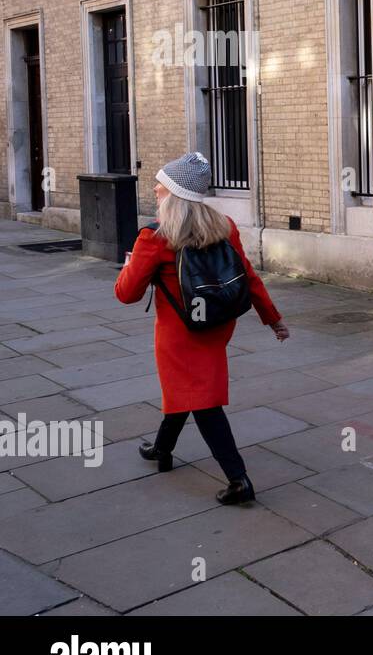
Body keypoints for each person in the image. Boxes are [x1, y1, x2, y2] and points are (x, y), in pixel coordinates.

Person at [114, 152, 289, 504]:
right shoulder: (223, 226)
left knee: (203, 403)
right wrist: (273, 318)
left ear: (174, 194)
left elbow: (126, 294)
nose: (155, 189)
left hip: (179, 334)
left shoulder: (155, 237)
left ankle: (239, 479)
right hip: (216, 325)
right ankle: (162, 449)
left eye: (160, 186)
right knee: (187, 390)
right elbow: (248, 277)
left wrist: (130, 265)